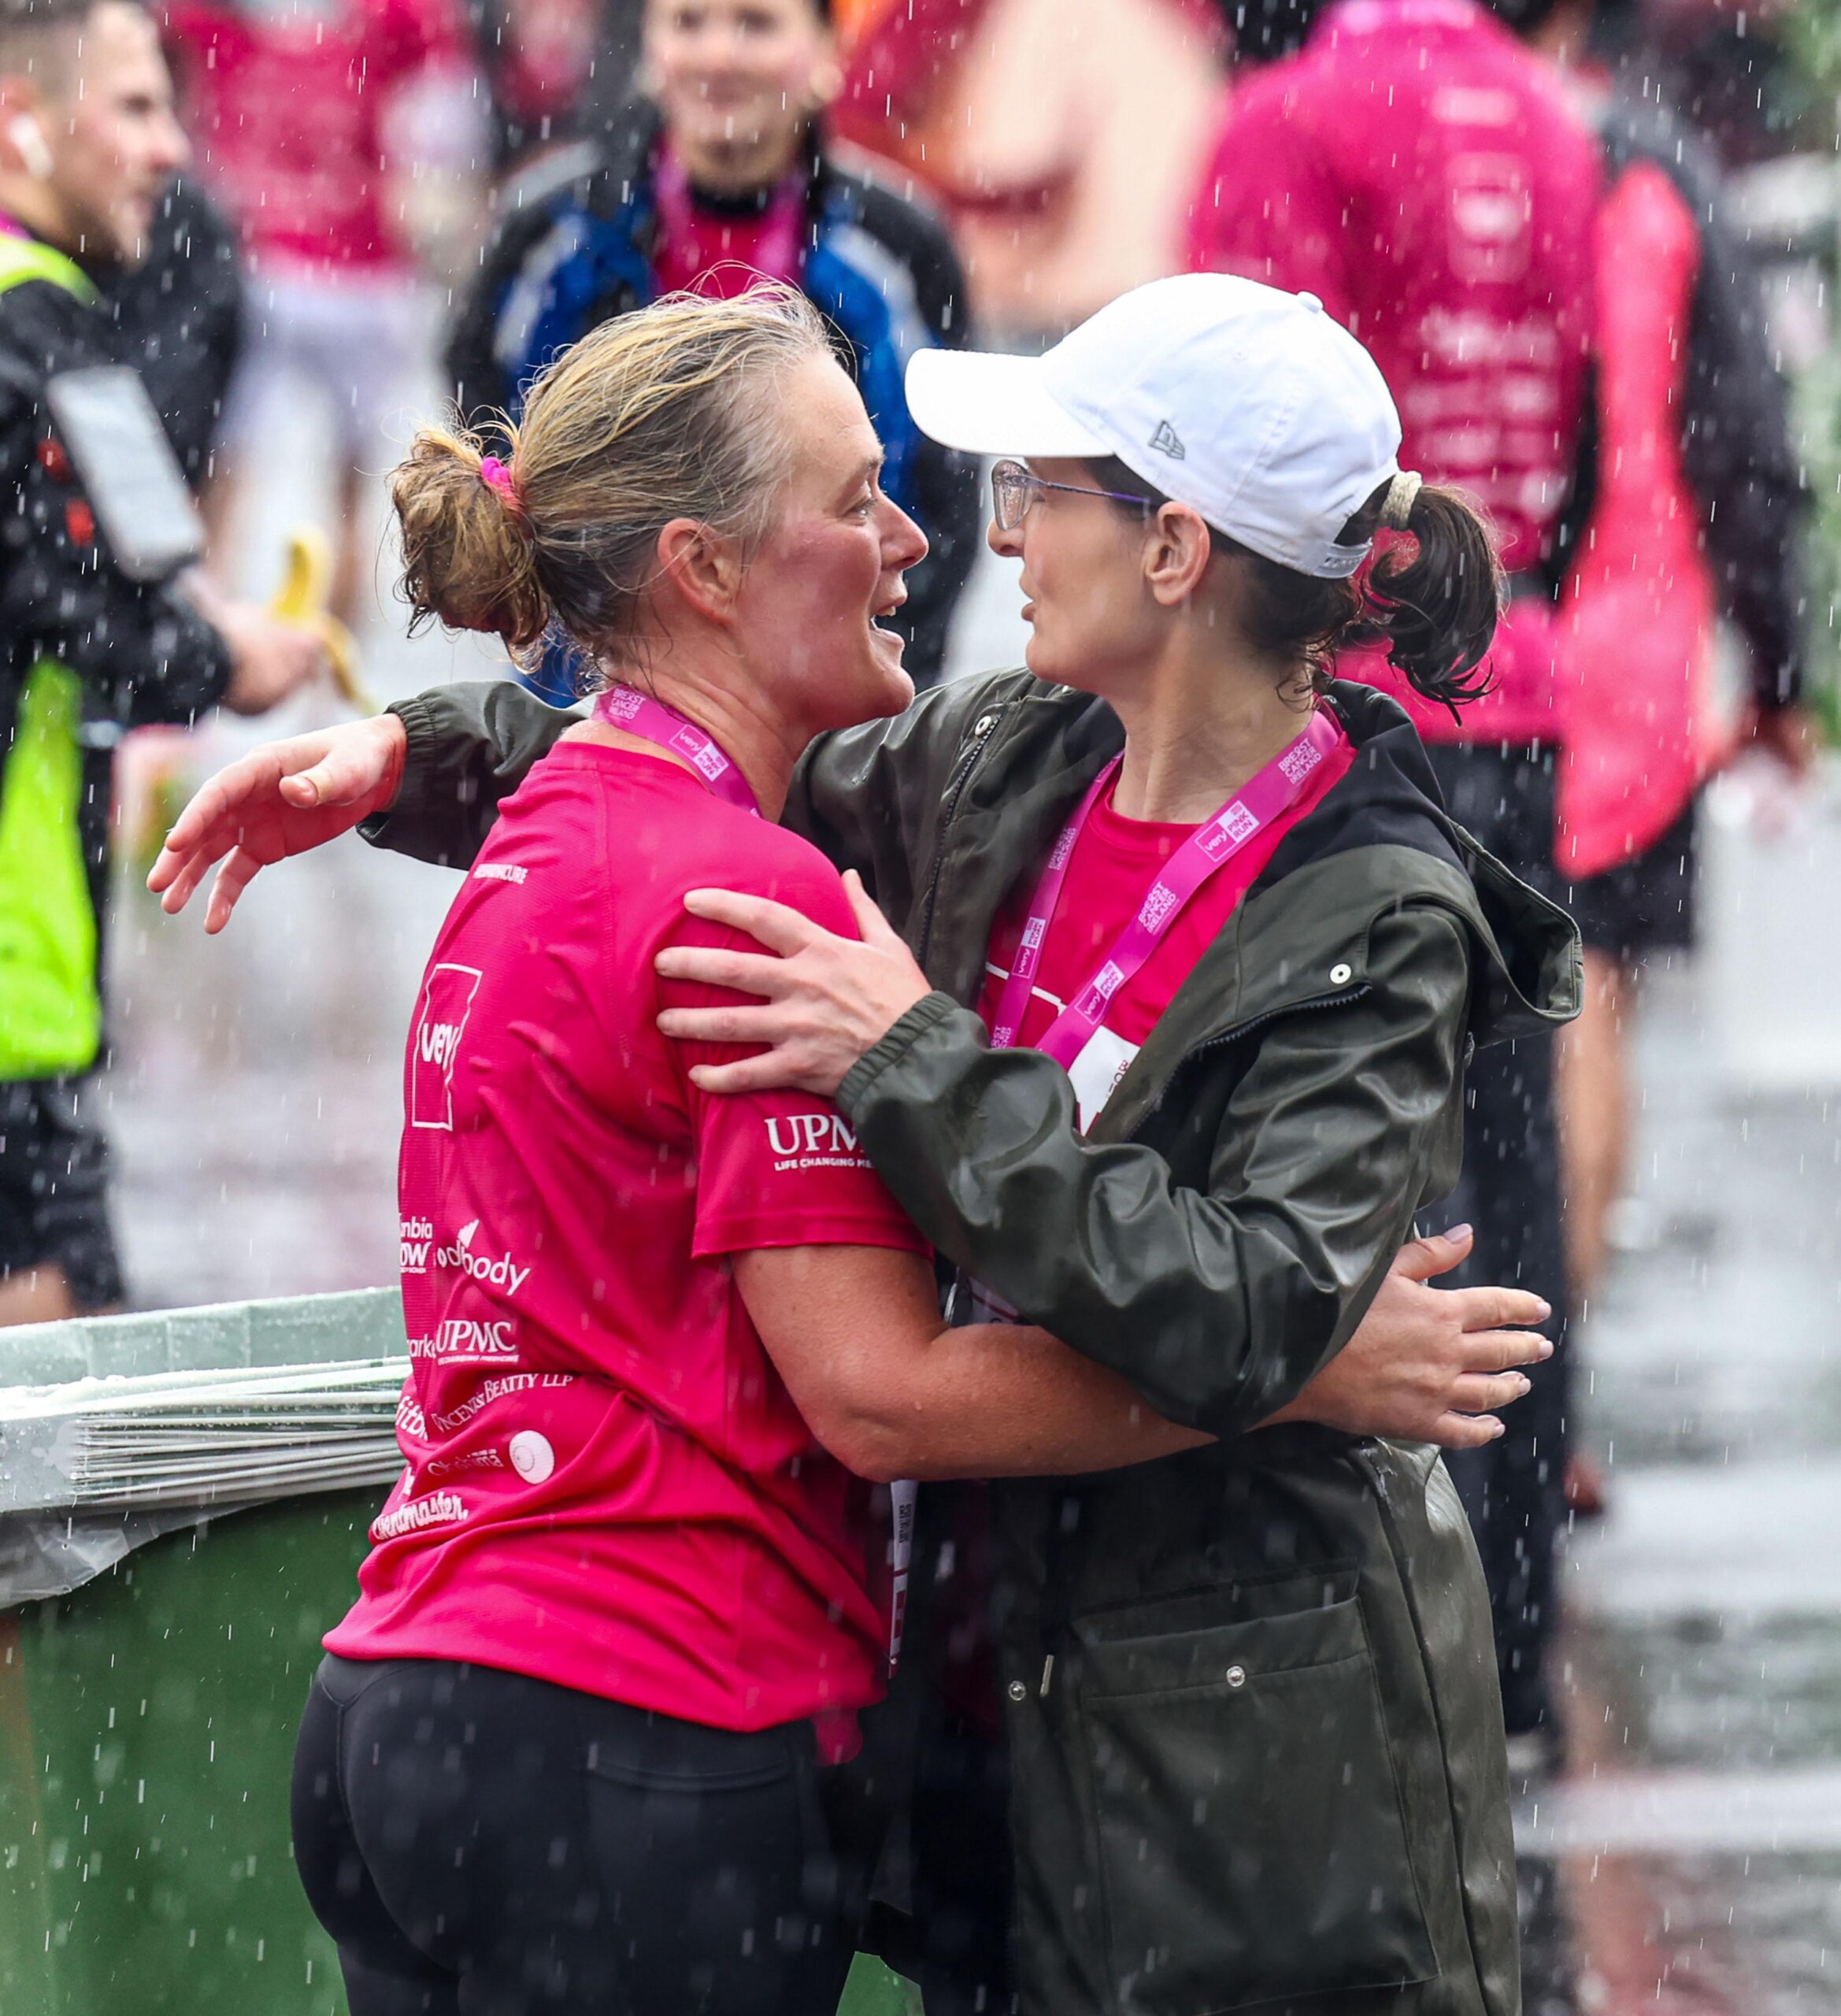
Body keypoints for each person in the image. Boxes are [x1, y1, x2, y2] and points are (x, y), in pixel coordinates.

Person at [155, 273, 1576, 2014]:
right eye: (887, 498)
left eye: (1033, 490)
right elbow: (686, 770)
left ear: (1173, 550)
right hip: (976, 1706)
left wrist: (906, 1055)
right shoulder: (1006, 761)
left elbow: (1248, 1302)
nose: (963, 537)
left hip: (1237, 1751)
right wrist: (403, 752)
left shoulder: (1372, 905)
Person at [1187, 0, 1601, 1761]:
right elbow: (1565, 442)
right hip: (1506, 702)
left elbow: (1218, 472)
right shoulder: (1547, 115)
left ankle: (1348, 1669)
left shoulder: (1285, 121)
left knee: (1313, 1189)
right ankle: (1505, 1651)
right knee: (1502, 1185)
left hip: (1340, 720)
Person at [0, 0, 324, 1329]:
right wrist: (233, 655)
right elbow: (86, 597)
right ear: (20, 124)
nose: (167, 148)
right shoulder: (39, 324)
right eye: (132, 109)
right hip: (14, 985)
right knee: (72, 1403)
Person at [443, 0, 980, 692]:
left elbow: (946, 494)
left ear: (826, 50)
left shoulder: (900, 246)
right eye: (690, 22)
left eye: (755, 23)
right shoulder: (547, 230)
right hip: (591, 689)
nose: (719, 55)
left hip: (823, 701)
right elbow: (489, 445)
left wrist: (883, 692)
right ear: (649, 46)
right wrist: (555, 681)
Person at [165, 0, 469, 628]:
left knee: (226, 477)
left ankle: (195, 651)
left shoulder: (232, 33)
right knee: (334, 492)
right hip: (346, 278)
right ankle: (317, 670)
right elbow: (443, 98)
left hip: (292, 274)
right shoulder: (388, 25)